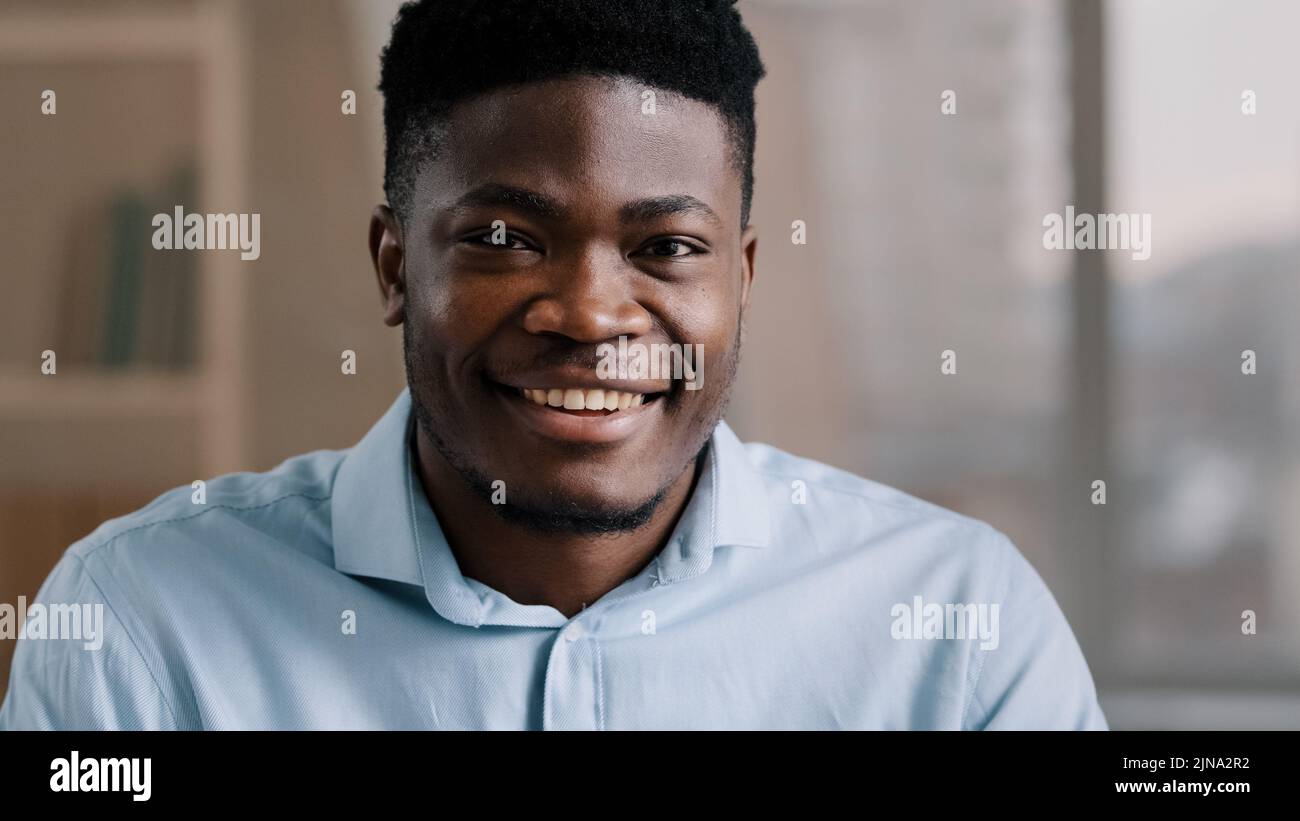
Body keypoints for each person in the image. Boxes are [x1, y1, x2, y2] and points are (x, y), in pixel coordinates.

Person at [0, 0, 1106, 730]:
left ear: (744, 279)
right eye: (504, 239)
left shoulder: (961, 625)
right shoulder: (140, 626)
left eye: (666, 247)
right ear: (393, 266)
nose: (587, 311)